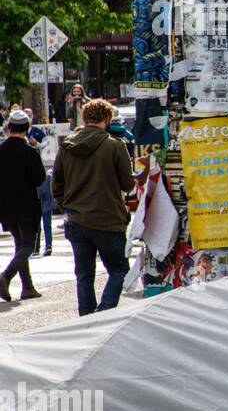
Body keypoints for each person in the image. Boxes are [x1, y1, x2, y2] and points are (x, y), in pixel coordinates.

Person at [51, 98, 134, 316]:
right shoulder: (115, 145)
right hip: (108, 218)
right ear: (107, 119)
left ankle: (86, 319)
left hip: (76, 220)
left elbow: (56, 184)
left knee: (84, 274)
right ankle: (105, 311)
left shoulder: (67, 146)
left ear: (84, 118)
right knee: (119, 268)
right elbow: (128, 184)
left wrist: (67, 206)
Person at [0, 110, 47, 302]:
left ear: (9, 128)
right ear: (27, 129)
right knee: (28, 244)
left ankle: (27, 287)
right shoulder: (29, 152)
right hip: (26, 205)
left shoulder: (1, 150)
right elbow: (39, 178)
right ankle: (6, 276)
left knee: (19, 244)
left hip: (5, 206)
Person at [36, 167, 55, 256]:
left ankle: (36, 247)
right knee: (47, 227)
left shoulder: (36, 179)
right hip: (47, 206)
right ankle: (48, 245)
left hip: (38, 206)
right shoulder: (49, 178)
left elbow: (39, 194)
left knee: (37, 228)